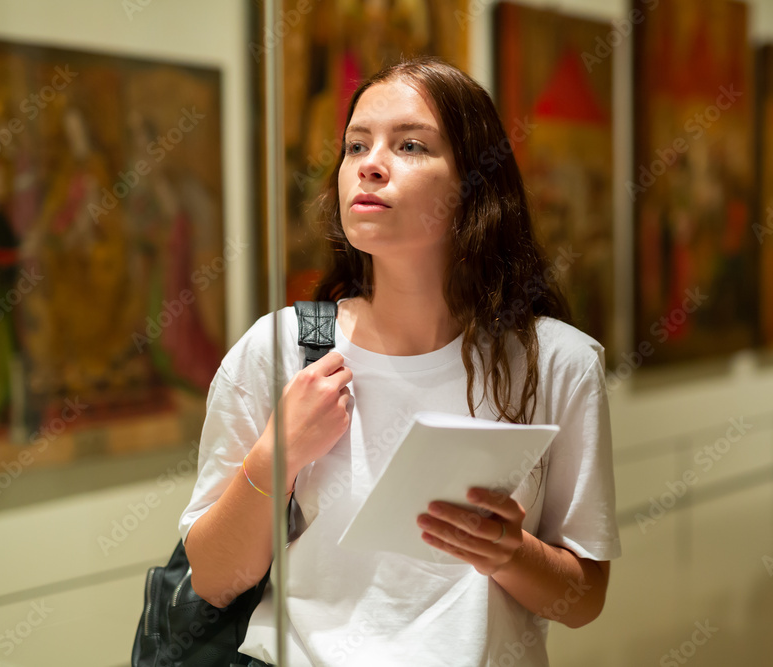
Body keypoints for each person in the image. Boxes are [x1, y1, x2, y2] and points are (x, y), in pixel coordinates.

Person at [180, 55, 621, 666]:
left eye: (410, 145)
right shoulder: (278, 350)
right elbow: (212, 579)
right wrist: (274, 456)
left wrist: (509, 552)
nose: (370, 165)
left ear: (474, 185)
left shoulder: (557, 362)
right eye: (355, 144)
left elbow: (583, 599)